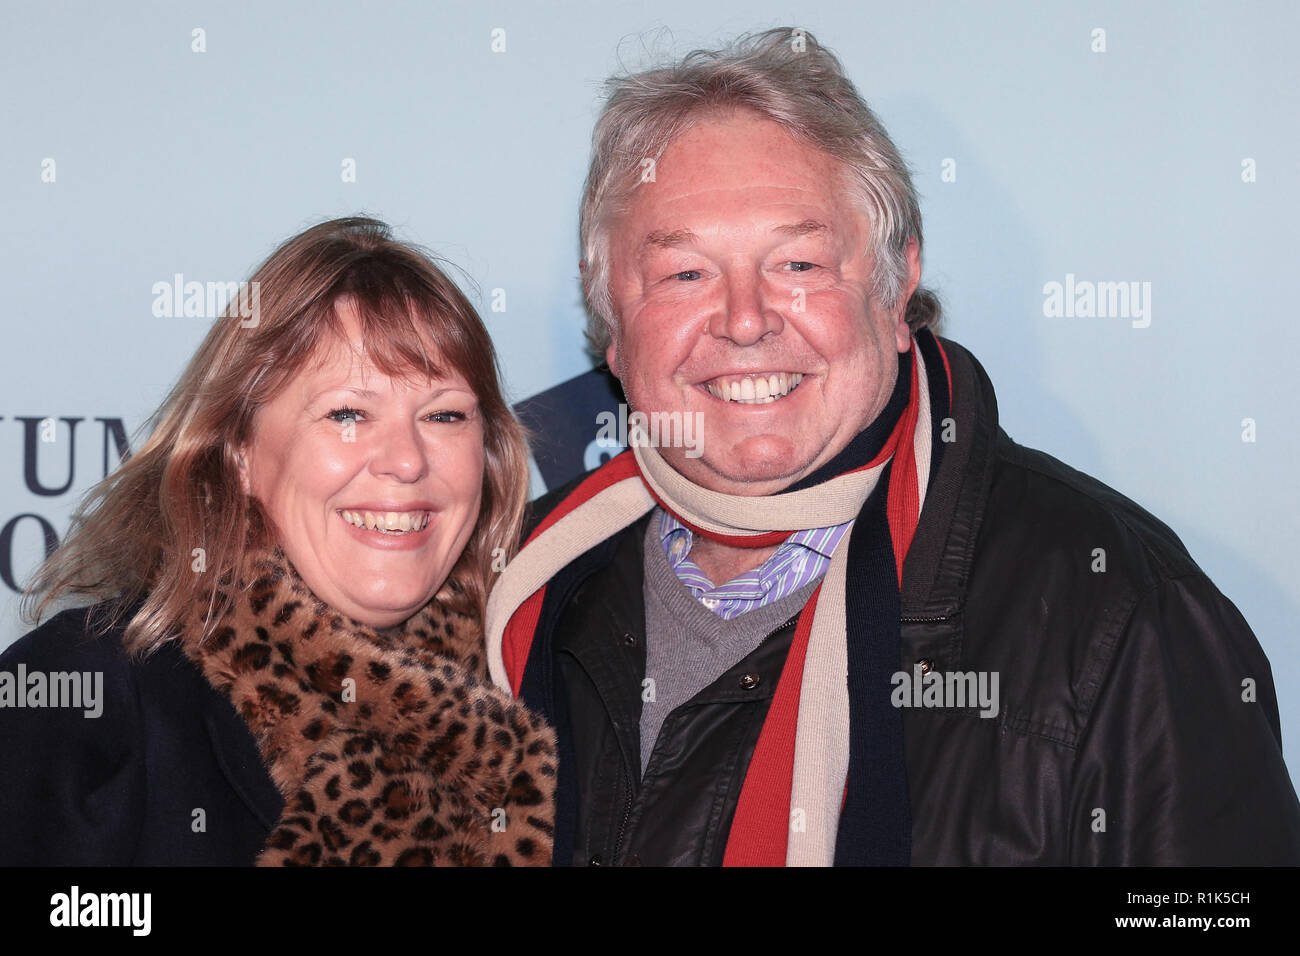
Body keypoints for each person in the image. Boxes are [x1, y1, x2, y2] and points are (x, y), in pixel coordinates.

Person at [485, 28, 1300, 865]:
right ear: (612, 330)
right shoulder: (509, 589)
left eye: (797, 263)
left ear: (896, 282)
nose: (744, 319)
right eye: (684, 274)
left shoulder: (1120, 611)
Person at [0, 217, 556, 866]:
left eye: (444, 415)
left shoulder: (545, 693)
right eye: (348, 413)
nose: (406, 461)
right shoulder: (87, 696)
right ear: (239, 452)